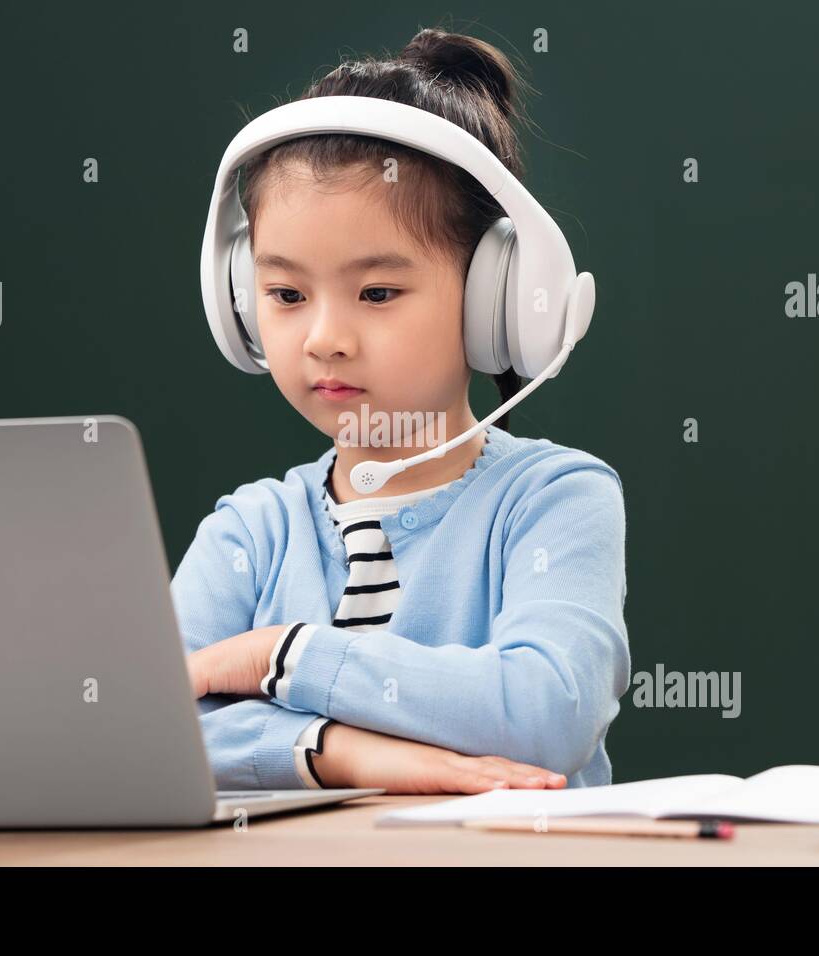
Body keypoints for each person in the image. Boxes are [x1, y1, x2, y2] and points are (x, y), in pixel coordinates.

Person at [173, 28, 630, 794]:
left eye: (377, 293)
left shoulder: (556, 500)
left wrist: (280, 656)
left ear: (498, 299)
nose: (324, 339)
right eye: (286, 295)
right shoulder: (250, 531)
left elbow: (548, 715)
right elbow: (138, 720)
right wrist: (340, 753)